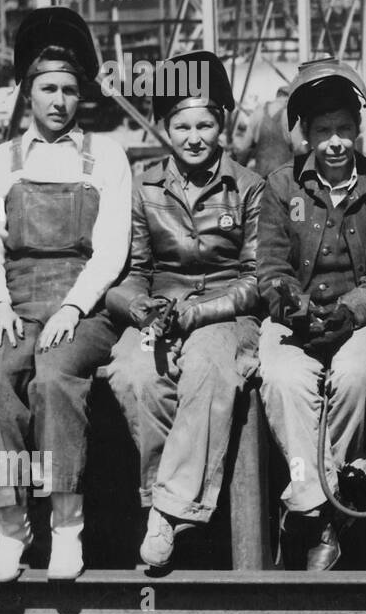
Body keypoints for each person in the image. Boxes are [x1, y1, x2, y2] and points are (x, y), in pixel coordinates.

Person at [0, 6, 131, 582]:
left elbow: (111, 250)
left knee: (56, 376)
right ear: (27, 94)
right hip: (16, 299)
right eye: (46, 89)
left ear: (79, 94)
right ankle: (10, 529)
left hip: (83, 300)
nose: (58, 100)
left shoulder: (106, 156)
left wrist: (73, 307)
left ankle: (67, 526)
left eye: (67, 88)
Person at [103, 51, 264, 569]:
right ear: (166, 128)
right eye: (181, 125)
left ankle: (166, 513)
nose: (194, 137)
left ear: (222, 123)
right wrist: (142, 309)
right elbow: (131, 273)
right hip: (163, 308)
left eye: (205, 124)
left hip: (225, 312)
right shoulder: (143, 185)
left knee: (205, 368)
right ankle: (168, 506)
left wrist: (201, 314)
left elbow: (256, 278)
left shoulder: (249, 186)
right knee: (132, 374)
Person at [256, 58, 366, 571]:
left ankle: (307, 502)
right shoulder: (280, 188)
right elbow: (271, 267)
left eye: (345, 129)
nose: (336, 142)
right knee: (280, 379)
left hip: (365, 319)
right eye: (323, 131)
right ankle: (323, 513)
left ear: (358, 129)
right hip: (297, 321)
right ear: (305, 135)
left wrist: (351, 310)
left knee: (358, 375)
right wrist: (289, 304)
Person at [232, 82, 297, 177]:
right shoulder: (289, 115)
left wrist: (238, 173)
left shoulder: (258, 113)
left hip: (261, 176)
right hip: (285, 179)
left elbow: (245, 148)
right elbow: (301, 147)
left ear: (277, 96)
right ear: (289, 98)